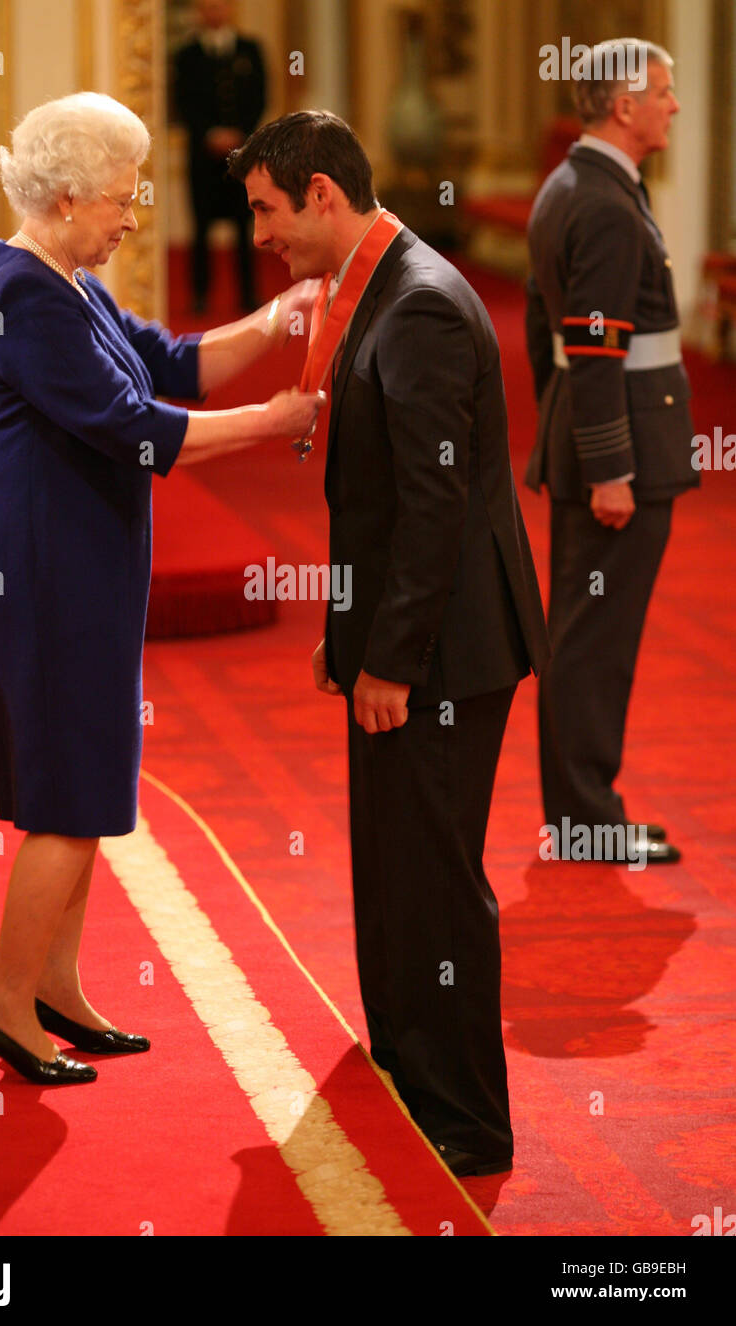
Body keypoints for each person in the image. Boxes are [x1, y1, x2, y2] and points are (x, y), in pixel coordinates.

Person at [0, 92, 323, 1086]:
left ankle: (53, 985)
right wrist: (277, 415)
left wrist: (277, 315)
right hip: (43, 566)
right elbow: (142, 428)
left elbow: (170, 362)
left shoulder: (61, 278)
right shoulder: (23, 297)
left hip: (77, 560)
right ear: (68, 197)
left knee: (82, 781)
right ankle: (2, 1001)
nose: (132, 216)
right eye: (121, 200)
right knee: (68, 796)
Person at [228, 112, 549, 1177]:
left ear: (321, 193)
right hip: (414, 633)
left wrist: (389, 660)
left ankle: (465, 1116)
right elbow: (367, 499)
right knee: (394, 866)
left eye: (268, 212)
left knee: (436, 881)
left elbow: (430, 505)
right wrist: (346, 632)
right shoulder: (378, 284)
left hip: (449, 651)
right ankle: (409, 1065)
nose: (260, 236)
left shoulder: (414, 304)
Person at [524, 39, 699, 865]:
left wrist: (562, 425)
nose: (673, 106)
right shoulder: (599, 201)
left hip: (598, 435)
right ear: (623, 107)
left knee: (584, 636)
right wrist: (608, 468)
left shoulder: (573, 184)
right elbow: (593, 349)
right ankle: (587, 819)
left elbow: (539, 326)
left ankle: (582, 811)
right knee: (595, 643)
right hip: (620, 450)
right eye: (662, 93)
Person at [173, 0, 266, 314]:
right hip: (202, 156)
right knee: (200, 228)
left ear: (230, 7)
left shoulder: (250, 50)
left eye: (219, 4)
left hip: (240, 156)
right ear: (199, 12)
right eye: (206, 6)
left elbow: (259, 97)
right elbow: (182, 102)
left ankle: (248, 295)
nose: (213, 11)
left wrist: (239, 134)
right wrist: (209, 134)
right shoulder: (186, 56)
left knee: (246, 226)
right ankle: (200, 297)